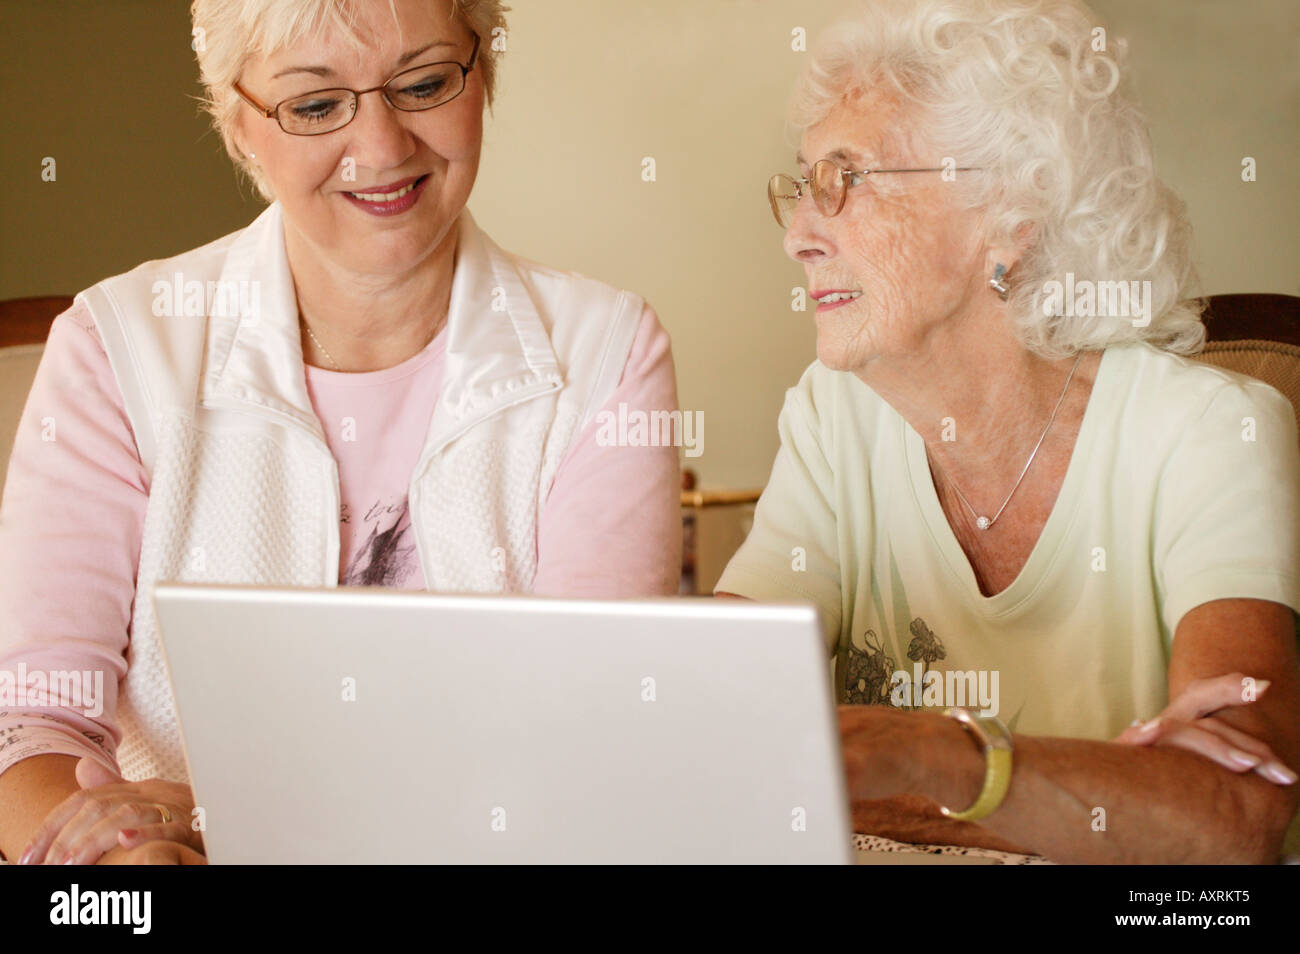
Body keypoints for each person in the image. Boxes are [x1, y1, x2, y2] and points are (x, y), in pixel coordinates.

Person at [0, 0, 680, 865]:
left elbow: (590, 736)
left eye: (426, 83)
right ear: (241, 125)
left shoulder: (609, 353)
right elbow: (29, 719)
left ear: (485, 74)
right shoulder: (115, 348)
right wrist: (114, 863)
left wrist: (220, 815)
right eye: (316, 106)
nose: (385, 148)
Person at [717, 0, 1300, 863]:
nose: (801, 234)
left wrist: (930, 755)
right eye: (802, 185)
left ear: (1013, 220)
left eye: (848, 178)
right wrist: (1101, 796)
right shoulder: (833, 415)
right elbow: (714, 724)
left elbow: (1231, 816)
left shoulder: (1208, 433)